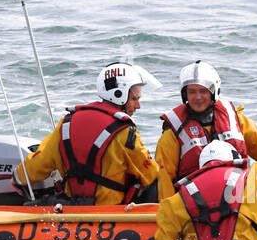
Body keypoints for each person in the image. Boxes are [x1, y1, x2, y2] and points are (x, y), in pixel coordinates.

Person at [12, 62, 161, 205]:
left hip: (73, 209)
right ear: (118, 94)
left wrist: (18, 178)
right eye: (134, 99)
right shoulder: (124, 131)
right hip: (110, 214)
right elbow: (150, 173)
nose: (138, 105)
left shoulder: (66, 123)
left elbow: (40, 161)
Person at [155, 60, 257, 192]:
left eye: (203, 91)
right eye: (192, 92)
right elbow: (164, 175)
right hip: (195, 197)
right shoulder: (174, 130)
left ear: (213, 92)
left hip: (237, 190)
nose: (197, 97)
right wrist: (167, 209)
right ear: (185, 94)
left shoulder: (234, 119)